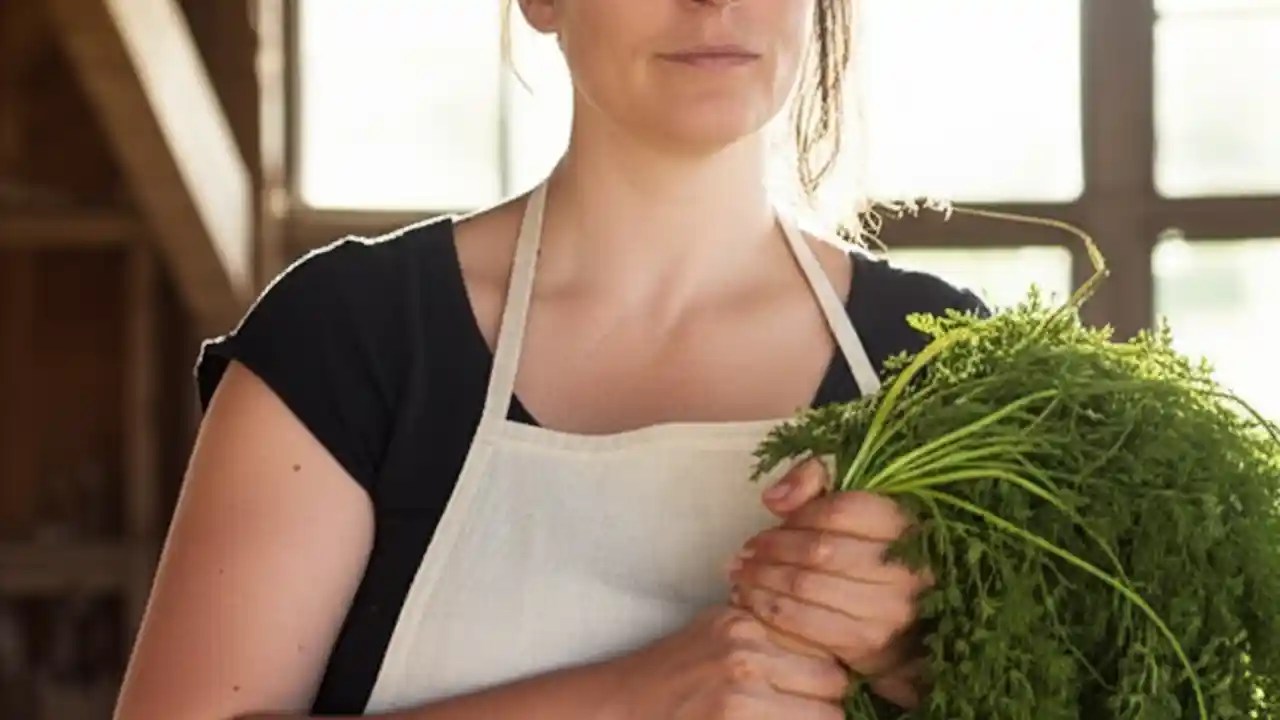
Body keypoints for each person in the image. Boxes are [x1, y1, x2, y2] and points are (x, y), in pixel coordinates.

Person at [115, 0, 986, 718]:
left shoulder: (950, 364)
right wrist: (632, 699)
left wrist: (921, 660)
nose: (715, 3)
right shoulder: (352, 338)